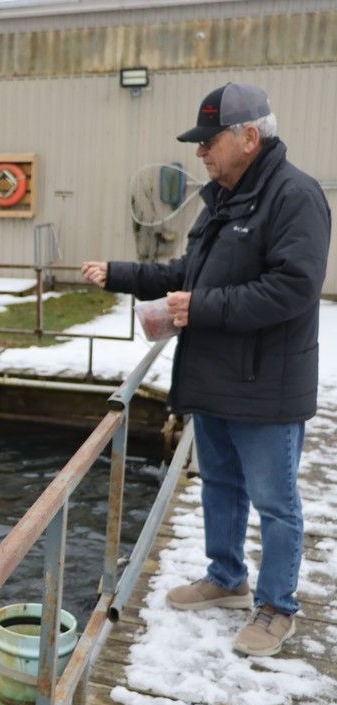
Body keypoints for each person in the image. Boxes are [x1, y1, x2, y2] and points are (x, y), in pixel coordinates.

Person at [82, 82, 331, 657]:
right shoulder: (220, 197)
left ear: (249, 137)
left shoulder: (295, 195)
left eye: (208, 141)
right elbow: (188, 272)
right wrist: (118, 273)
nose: (200, 152)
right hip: (216, 377)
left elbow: (293, 289)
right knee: (220, 484)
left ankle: (277, 607)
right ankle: (226, 580)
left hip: (267, 384)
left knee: (275, 501)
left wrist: (203, 308)